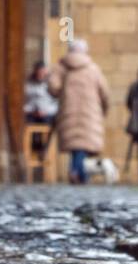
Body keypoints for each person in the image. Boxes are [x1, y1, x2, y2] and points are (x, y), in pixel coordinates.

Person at [47, 39, 110, 185]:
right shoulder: (93, 69)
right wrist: (104, 110)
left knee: (75, 143)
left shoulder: (61, 67)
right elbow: (104, 92)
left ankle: (77, 171)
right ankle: (78, 172)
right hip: (90, 112)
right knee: (82, 144)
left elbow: (53, 87)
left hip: (68, 111)